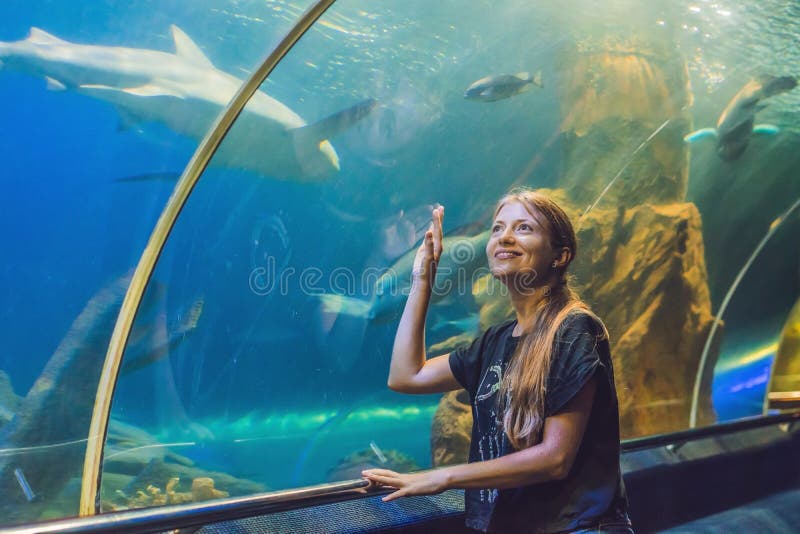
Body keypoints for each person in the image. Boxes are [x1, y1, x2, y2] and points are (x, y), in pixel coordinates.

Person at [362, 189, 632, 533]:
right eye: (497, 228)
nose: (504, 236)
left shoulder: (575, 329)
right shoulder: (496, 341)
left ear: (560, 256)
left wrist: (442, 477)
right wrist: (422, 283)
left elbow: (555, 459)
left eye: (523, 228)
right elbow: (406, 376)